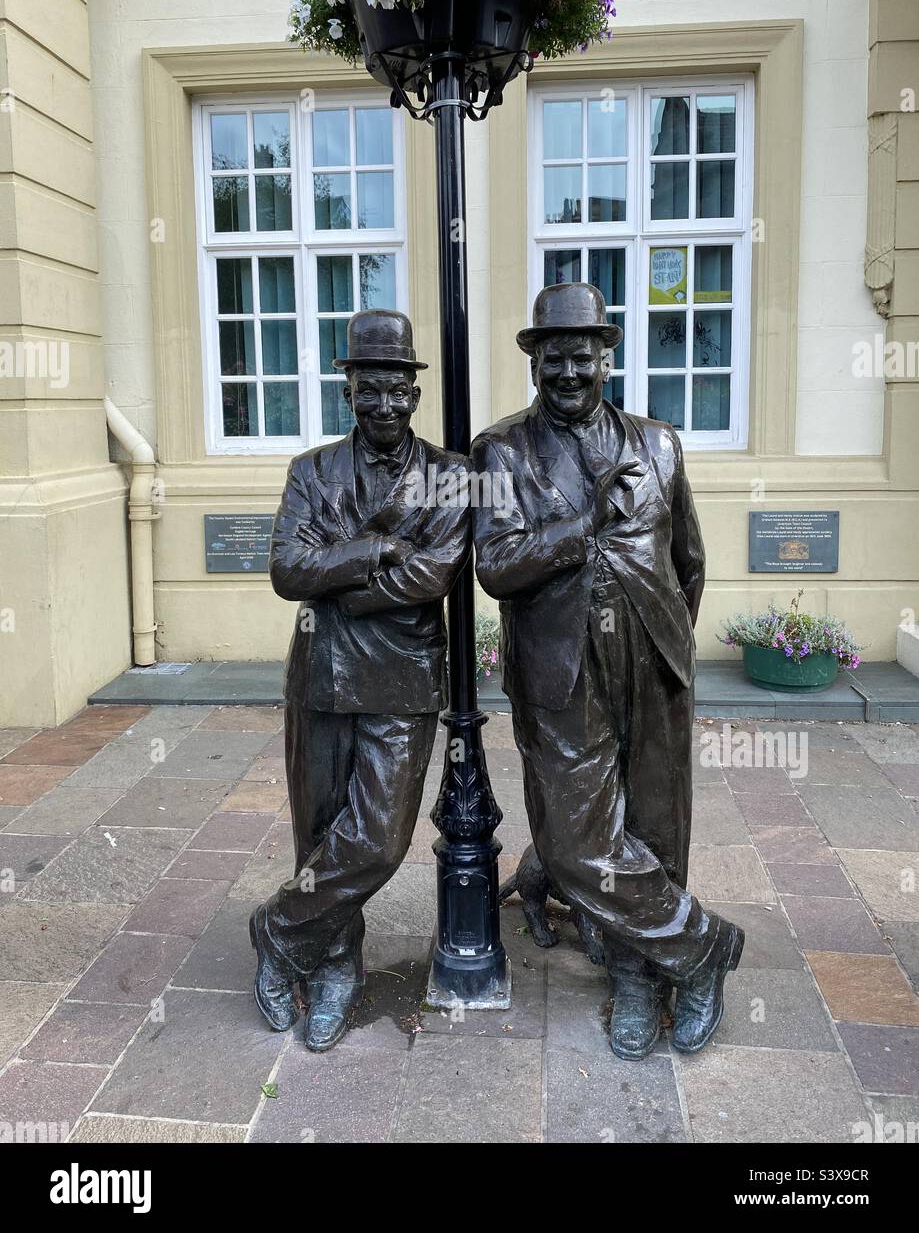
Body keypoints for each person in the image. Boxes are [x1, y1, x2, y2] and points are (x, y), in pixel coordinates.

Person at [470, 281, 743, 1057]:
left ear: (604, 357)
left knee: (656, 826)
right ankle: (701, 947)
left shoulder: (657, 443)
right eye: (553, 357)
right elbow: (496, 566)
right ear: (534, 362)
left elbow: (687, 560)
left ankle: (638, 974)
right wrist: (580, 523)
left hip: (652, 660)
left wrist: (661, 640)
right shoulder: (499, 452)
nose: (567, 372)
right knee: (574, 842)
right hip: (559, 667)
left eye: (581, 357)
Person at [250, 309, 470, 1051]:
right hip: (319, 671)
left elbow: (435, 572)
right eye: (368, 390)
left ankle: (278, 930)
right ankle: (334, 963)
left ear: (414, 394)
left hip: (403, 678)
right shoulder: (309, 471)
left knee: (376, 839)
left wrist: (341, 572)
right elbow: (287, 570)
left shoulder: (450, 475)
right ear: (348, 392)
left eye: (396, 391)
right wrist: (378, 548)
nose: (383, 406)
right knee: (320, 833)